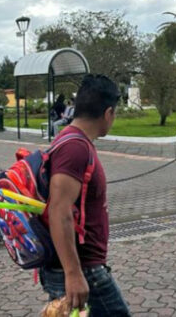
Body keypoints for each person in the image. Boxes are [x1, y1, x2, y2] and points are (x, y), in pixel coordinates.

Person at [41, 74, 130, 315]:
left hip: (81, 267)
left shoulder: (73, 141)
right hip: (83, 269)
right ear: (108, 113)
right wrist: (73, 273)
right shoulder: (75, 148)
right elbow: (59, 211)